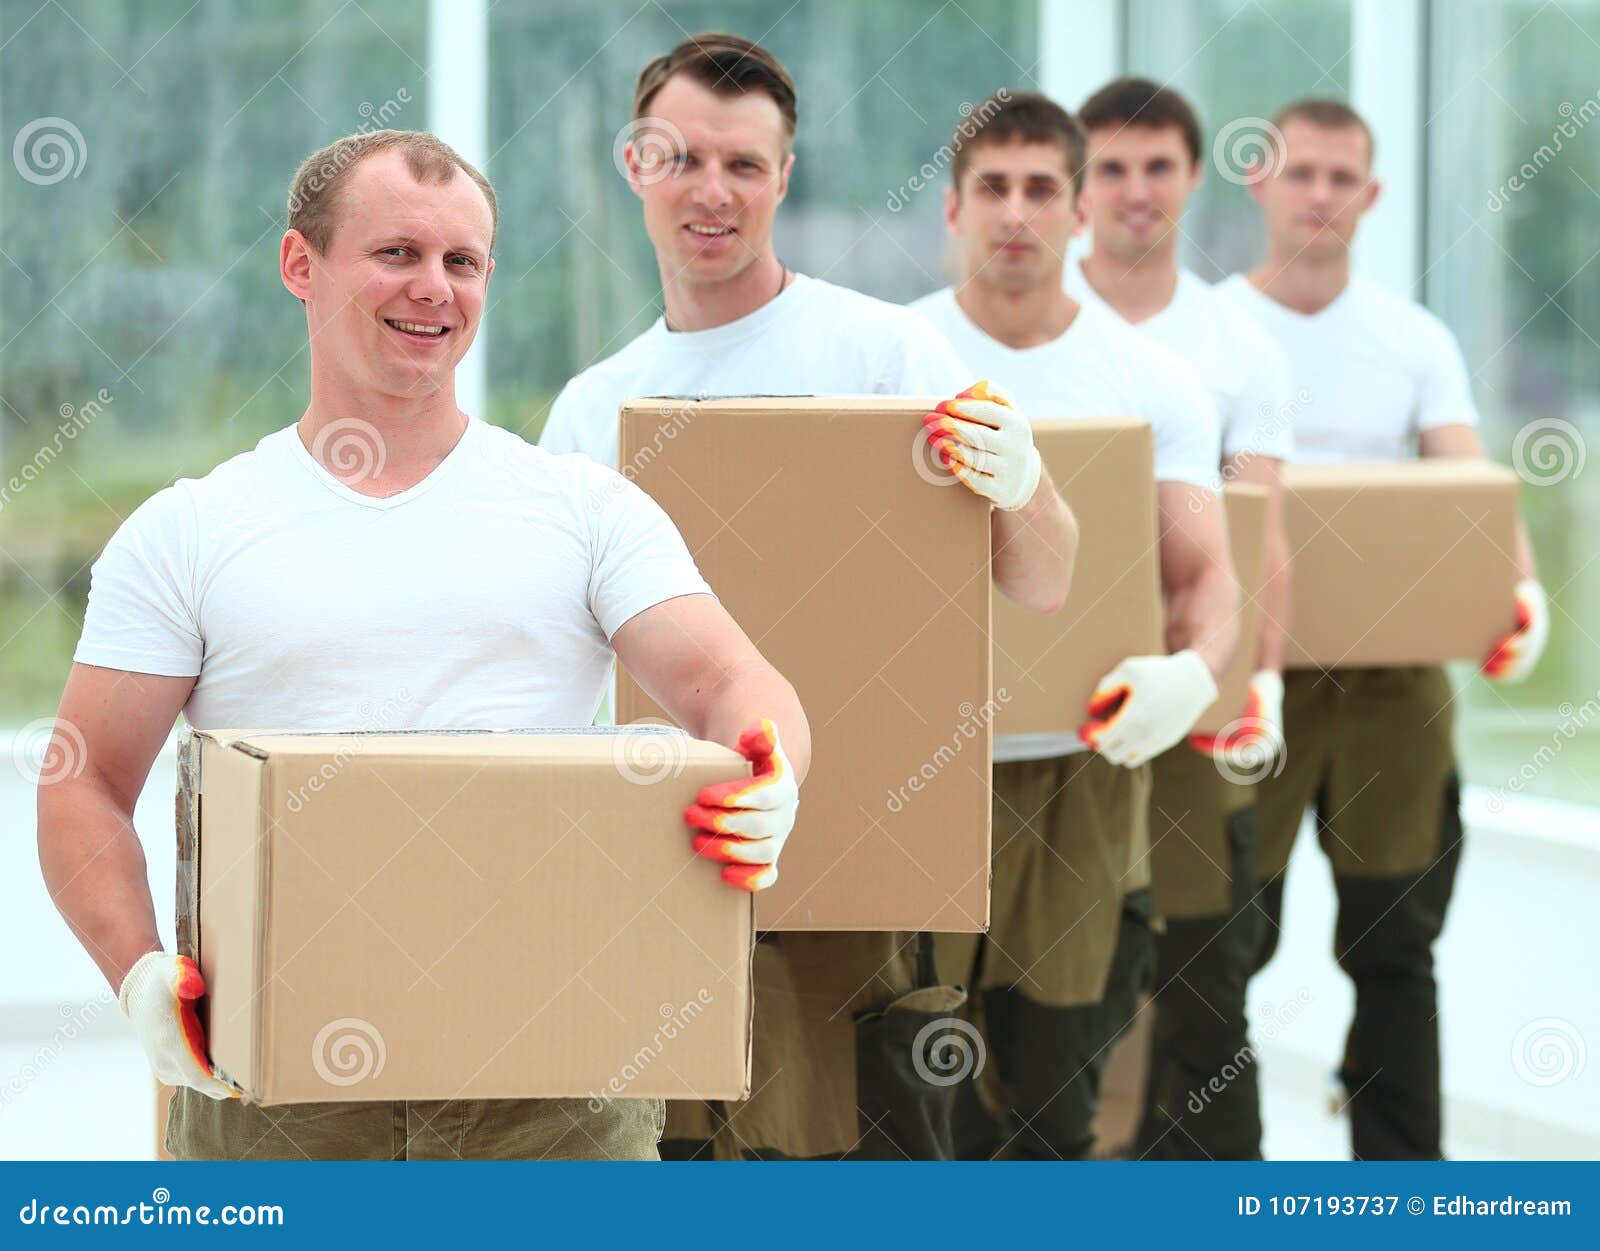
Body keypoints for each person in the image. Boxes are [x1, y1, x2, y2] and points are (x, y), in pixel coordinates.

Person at [37, 128, 814, 1162]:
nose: (434, 289)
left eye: (463, 262)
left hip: (558, 1095)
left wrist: (776, 772)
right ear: (299, 265)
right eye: (397, 253)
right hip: (275, 1094)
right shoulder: (193, 530)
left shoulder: (580, 508)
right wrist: (137, 972)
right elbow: (82, 778)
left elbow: (728, 681)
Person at [540, 34, 1078, 1160]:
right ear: (634, 164)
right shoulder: (596, 411)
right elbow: (558, 674)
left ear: (783, 177)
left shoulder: (884, 354)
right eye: (680, 158)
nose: (711, 191)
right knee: (684, 1172)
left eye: (743, 164)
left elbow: (1044, 580)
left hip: (868, 862)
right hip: (674, 859)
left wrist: (1023, 485)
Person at [912, 91, 1240, 1160]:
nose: (1016, 212)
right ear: (951, 211)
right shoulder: (890, 358)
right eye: (991, 189)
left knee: (1053, 1101)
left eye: (1041, 187)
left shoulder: (1150, 380)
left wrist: (1193, 673)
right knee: (911, 1099)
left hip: (1080, 775)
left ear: (1079, 208)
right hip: (916, 774)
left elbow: (1204, 574)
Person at [1220, 99, 1548, 1160]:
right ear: (1258, 182)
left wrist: (1521, 592)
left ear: (1371, 196)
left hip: (1393, 690)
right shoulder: (1210, 329)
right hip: (1247, 677)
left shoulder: (1411, 340)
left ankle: (1404, 1191)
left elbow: (1470, 484)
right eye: (1299, 172)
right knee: (1217, 940)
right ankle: (1201, 1179)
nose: (1319, 195)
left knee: (1395, 946)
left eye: (1339, 177)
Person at [1069, 76, 1295, 1159]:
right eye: (1109, 167)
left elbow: (1263, 538)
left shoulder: (1237, 346)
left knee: (1208, 995)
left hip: (1195, 708)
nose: (1134, 190)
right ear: (1078, 185)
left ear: (1192, 177)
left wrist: (1262, 683)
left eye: (1156, 166)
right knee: (1052, 1006)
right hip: (1049, 714)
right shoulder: (1029, 325)